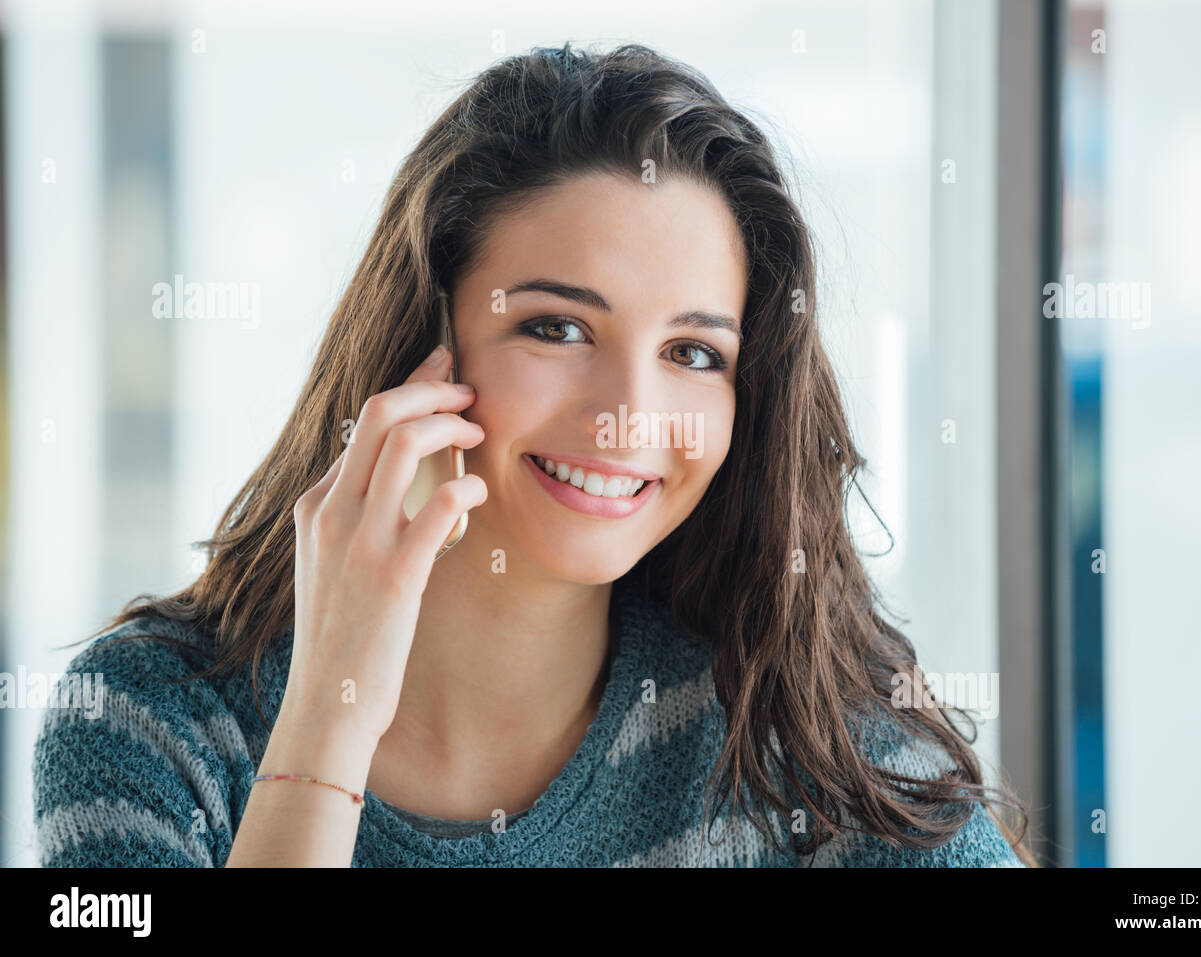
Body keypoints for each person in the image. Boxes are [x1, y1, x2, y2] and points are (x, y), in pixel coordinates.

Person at [33, 42, 1035, 867]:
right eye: (556, 329)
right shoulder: (149, 727)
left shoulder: (786, 735)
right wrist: (331, 711)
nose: (627, 417)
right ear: (422, 343)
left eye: (693, 353)